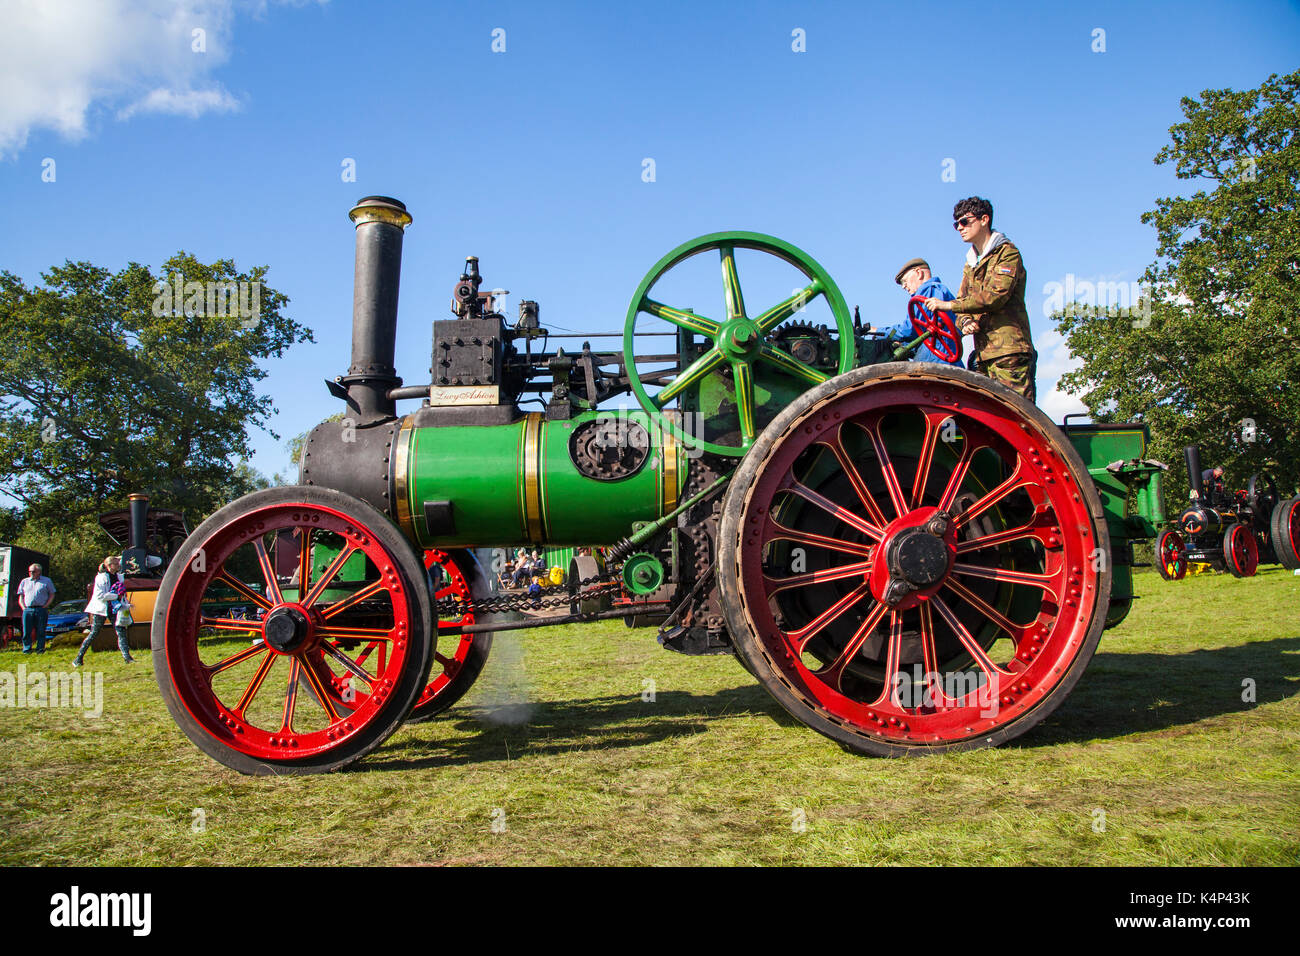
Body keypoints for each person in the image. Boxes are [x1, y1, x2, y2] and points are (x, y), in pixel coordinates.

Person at [922, 197, 1037, 401]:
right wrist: (966, 321)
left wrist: (947, 305)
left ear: (984, 220)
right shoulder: (971, 263)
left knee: (1019, 417)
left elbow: (995, 296)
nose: (959, 228)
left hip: (1008, 352)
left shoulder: (1007, 254)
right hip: (983, 354)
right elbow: (963, 303)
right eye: (956, 224)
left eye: (965, 221)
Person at [882, 258, 962, 364]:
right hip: (944, 357)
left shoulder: (929, 289)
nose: (903, 287)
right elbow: (920, 333)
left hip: (936, 359)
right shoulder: (939, 290)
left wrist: (880, 332)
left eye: (904, 281)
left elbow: (909, 331)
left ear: (919, 273)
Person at [72, 555, 135, 666]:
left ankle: (127, 658)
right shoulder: (101, 578)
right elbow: (100, 596)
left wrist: (126, 604)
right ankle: (78, 658)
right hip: (101, 609)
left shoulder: (119, 577)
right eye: (116, 564)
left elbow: (121, 594)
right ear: (109, 566)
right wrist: (115, 596)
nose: (118, 565)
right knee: (94, 634)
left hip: (114, 609)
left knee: (121, 632)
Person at [16, 562, 56, 654]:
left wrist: (46, 605)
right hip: (28, 609)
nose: (31, 573)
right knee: (26, 631)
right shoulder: (24, 581)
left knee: (41, 630)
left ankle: (40, 648)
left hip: (41, 609)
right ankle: (27, 649)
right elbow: (21, 596)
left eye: (33, 571)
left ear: (39, 571)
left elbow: (52, 594)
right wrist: (23, 607)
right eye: (30, 571)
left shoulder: (46, 581)